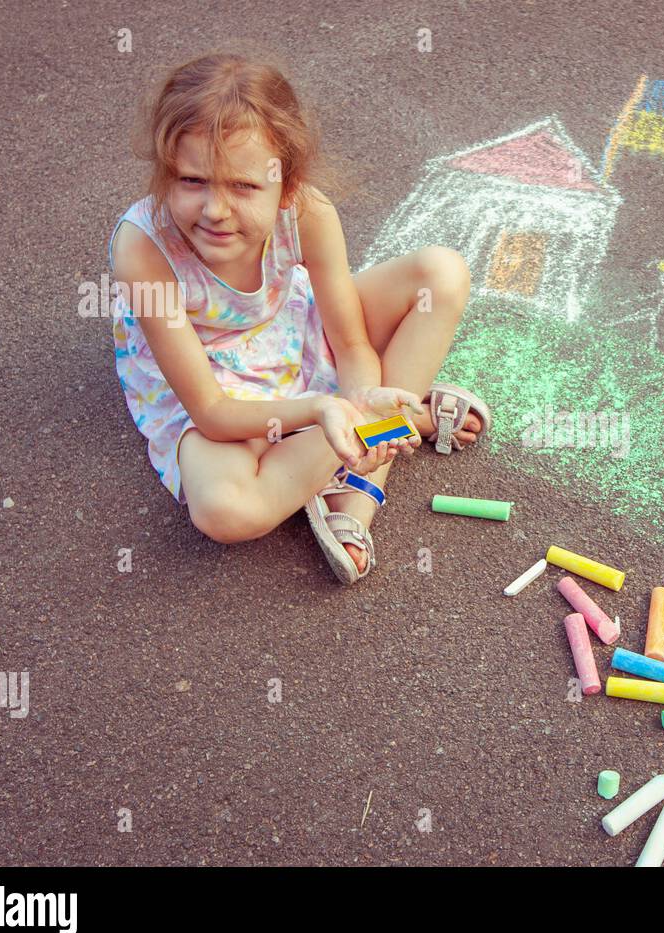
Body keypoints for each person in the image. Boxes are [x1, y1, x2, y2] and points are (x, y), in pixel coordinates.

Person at [108, 52, 491, 583]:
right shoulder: (142, 249)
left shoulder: (308, 211)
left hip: (294, 331)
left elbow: (352, 344)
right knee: (226, 511)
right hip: (214, 379)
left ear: (286, 185)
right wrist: (325, 409)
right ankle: (398, 430)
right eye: (192, 180)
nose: (215, 210)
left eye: (243, 186)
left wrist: (365, 397)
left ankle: (371, 450)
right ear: (164, 171)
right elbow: (214, 412)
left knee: (441, 274)